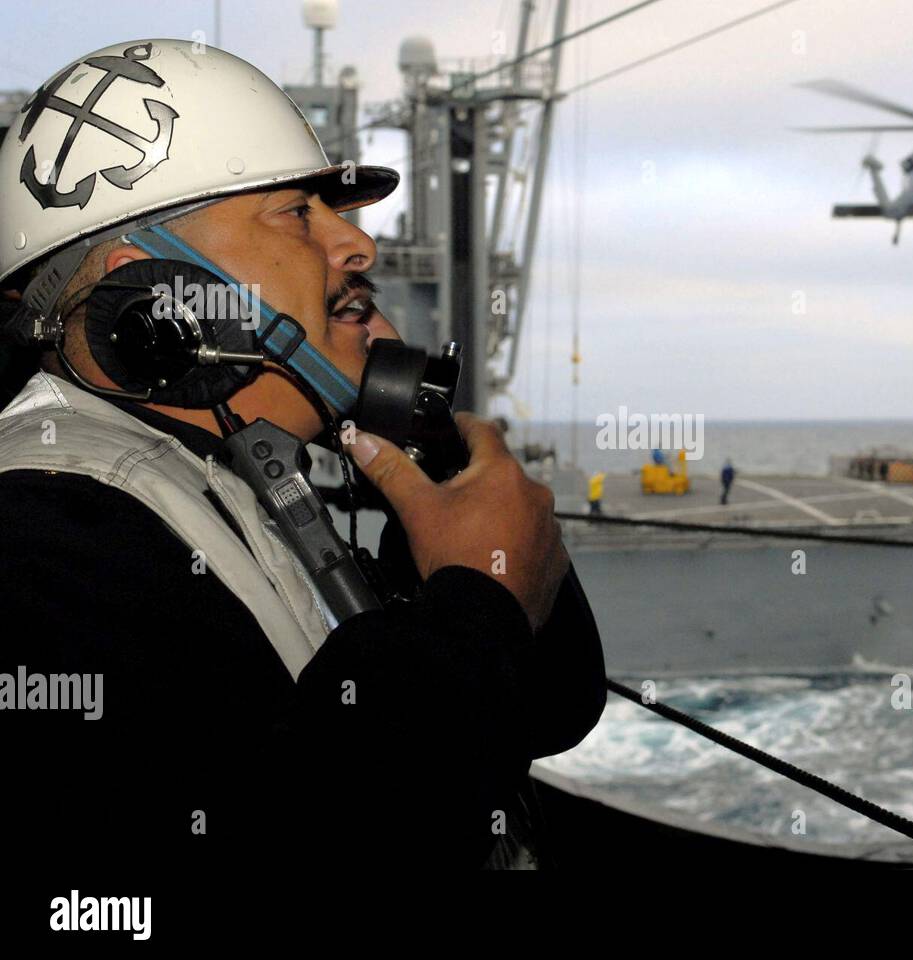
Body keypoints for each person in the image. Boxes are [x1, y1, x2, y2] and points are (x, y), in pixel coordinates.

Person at [0, 40, 605, 873]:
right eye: (298, 214)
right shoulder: (42, 544)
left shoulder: (232, 474)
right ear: (160, 295)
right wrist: (476, 606)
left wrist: (423, 456)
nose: (359, 247)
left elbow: (547, 709)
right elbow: (301, 845)